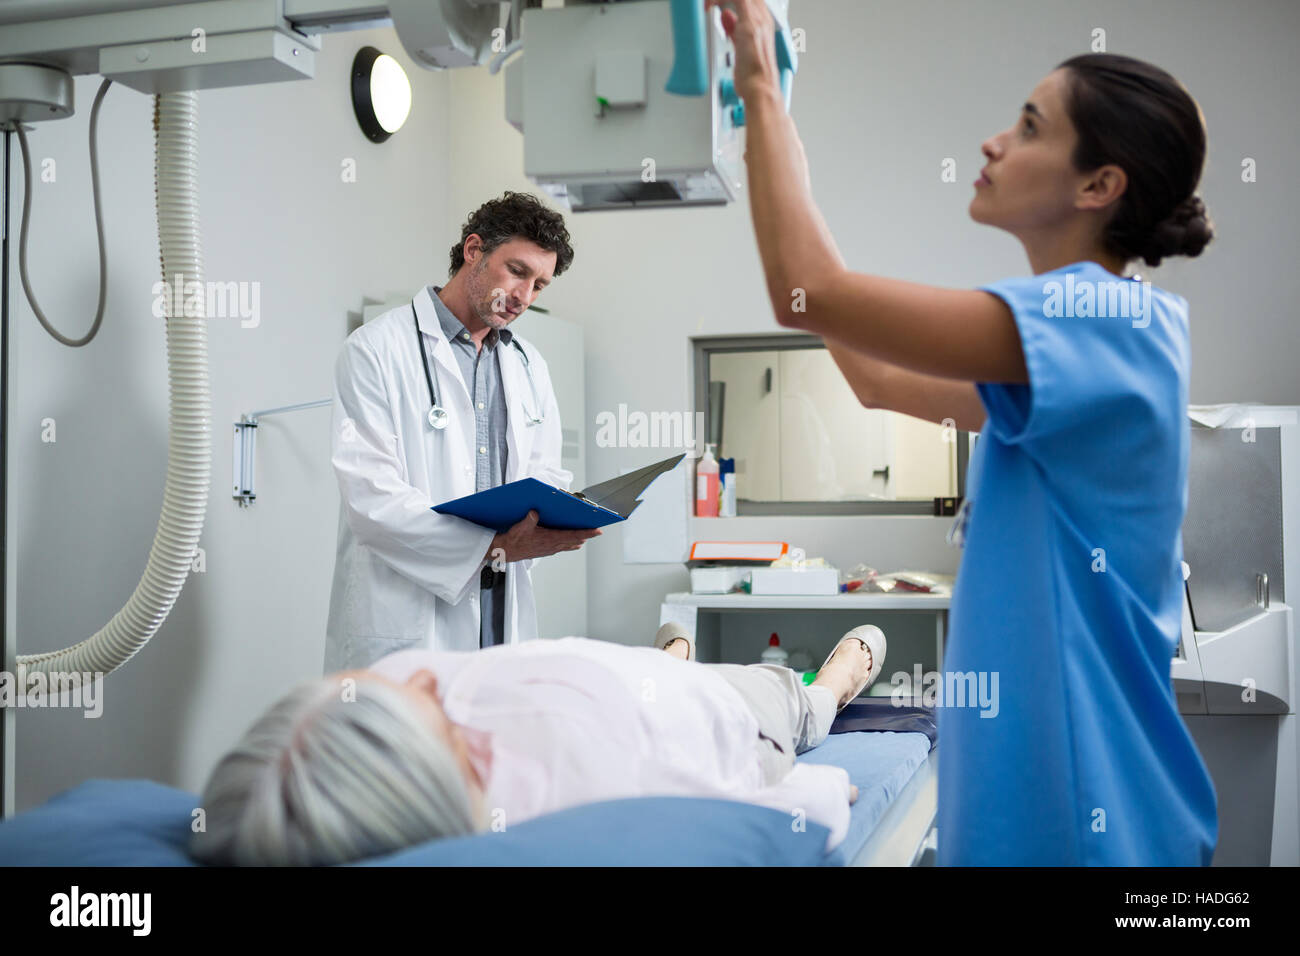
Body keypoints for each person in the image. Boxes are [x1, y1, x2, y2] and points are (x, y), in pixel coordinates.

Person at [713, 0, 1218, 864]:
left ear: (1099, 187)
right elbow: (871, 377)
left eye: (1028, 127)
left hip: (1098, 820)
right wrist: (775, 129)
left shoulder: (1103, 321)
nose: (993, 143)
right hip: (1037, 813)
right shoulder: (1086, 346)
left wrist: (759, 81)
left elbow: (806, 290)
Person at [190, 626, 886, 866]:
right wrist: (829, 787)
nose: (432, 681)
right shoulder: (594, 796)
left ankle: (672, 655)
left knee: (662, 671)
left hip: (603, 674)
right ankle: (833, 679)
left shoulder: (379, 689)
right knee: (796, 704)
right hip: (724, 710)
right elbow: (788, 808)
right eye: (446, 729)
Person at [324, 192, 601, 671]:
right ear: (474, 250)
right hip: (407, 624)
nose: (524, 298)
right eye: (517, 271)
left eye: (539, 285)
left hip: (498, 615)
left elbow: (546, 472)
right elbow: (372, 499)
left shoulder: (528, 364)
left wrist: (556, 517)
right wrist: (491, 548)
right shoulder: (375, 349)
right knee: (407, 743)